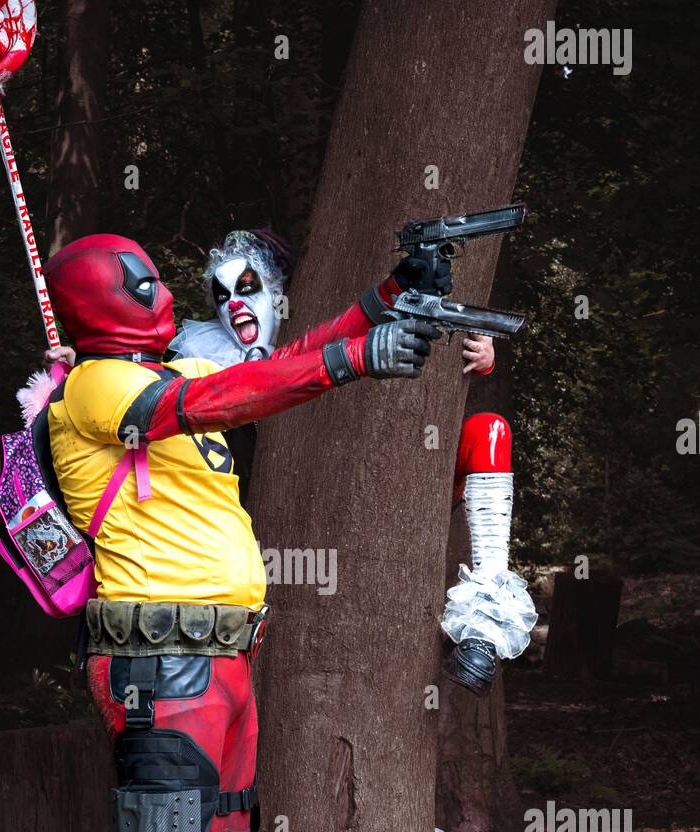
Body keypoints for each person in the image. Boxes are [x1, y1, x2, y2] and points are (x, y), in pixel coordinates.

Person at [40, 231, 441, 832]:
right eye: (134, 278)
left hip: (219, 659)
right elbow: (228, 392)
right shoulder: (100, 385)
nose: (155, 287)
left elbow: (273, 364)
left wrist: (381, 300)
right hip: (160, 662)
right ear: (103, 303)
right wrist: (352, 363)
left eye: (152, 271)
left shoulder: (167, 371)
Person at [165, 229, 537, 695]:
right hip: (262, 531)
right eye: (223, 295)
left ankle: (485, 623)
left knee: (490, 429)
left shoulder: (300, 334)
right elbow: (271, 377)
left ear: (277, 293)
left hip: (409, 483)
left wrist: (479, 356)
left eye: (247, 288)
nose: (234, 304)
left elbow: (313, 347)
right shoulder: (199, 366)